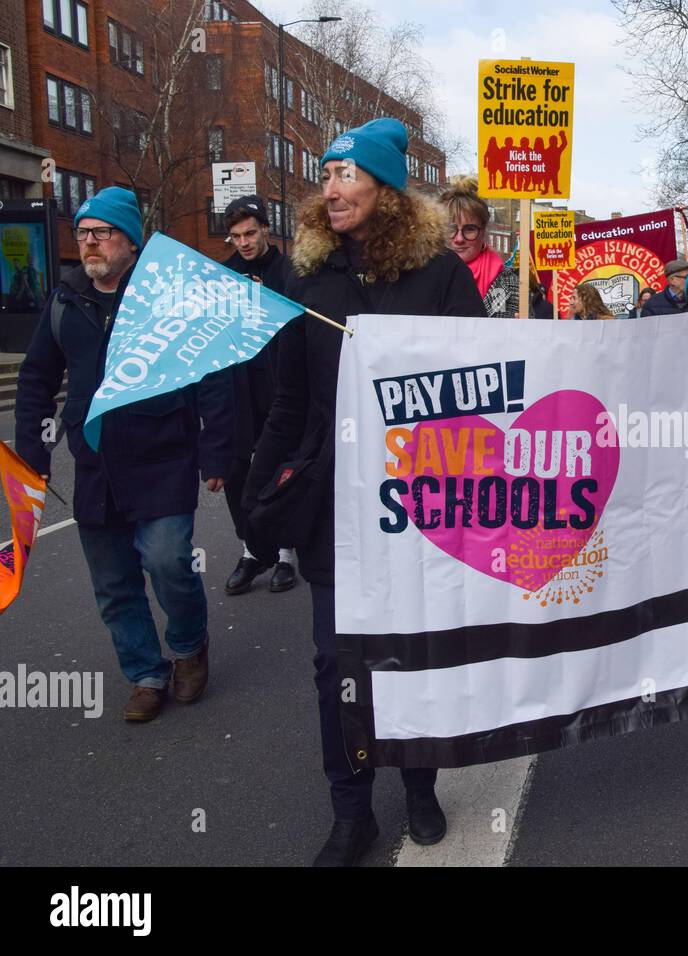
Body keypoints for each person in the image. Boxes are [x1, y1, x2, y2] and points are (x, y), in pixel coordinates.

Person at [244, 118, 487, 866]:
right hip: (333, 507)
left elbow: (479, 384)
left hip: (417, 503)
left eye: (347, 175)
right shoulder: (307, 280)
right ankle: (351, 811)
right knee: (335, 665)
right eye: (326, 175)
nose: (331, 187)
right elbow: (289, 399)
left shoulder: (440, 276)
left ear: (385, 190)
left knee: (411, 651)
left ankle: (418, 786)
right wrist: (261, 493)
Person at [15, 187, 233, 722]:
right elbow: (36, 378)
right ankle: (145, 673)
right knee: (113, 584)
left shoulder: (164, 299)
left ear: (129, 242)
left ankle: (187, 647)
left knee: (168, 563)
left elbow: (213, 374)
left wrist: (217, 454)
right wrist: (31, 455)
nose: (89, 243)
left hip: (162, 457)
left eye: (101, 233)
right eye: (83, 233)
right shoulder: (66, 299)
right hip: (95, 467)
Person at [218, 195, 296, 597]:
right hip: (238, 383)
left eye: (250, 233)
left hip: (280, 382)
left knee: (280, 468)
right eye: (236, 236)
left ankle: (284, 554)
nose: (244, 242)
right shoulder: (225, 274)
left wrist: (267, 301)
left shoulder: (289, 271)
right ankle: (251, 549)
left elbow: (302, 321)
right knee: (239, 473)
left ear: (266, 229)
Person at [440, 176, 518, 317]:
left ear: (483, 232)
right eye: (451, 228)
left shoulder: (509, 282)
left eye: (469, 229)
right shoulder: (424, 279)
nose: (459, 239)